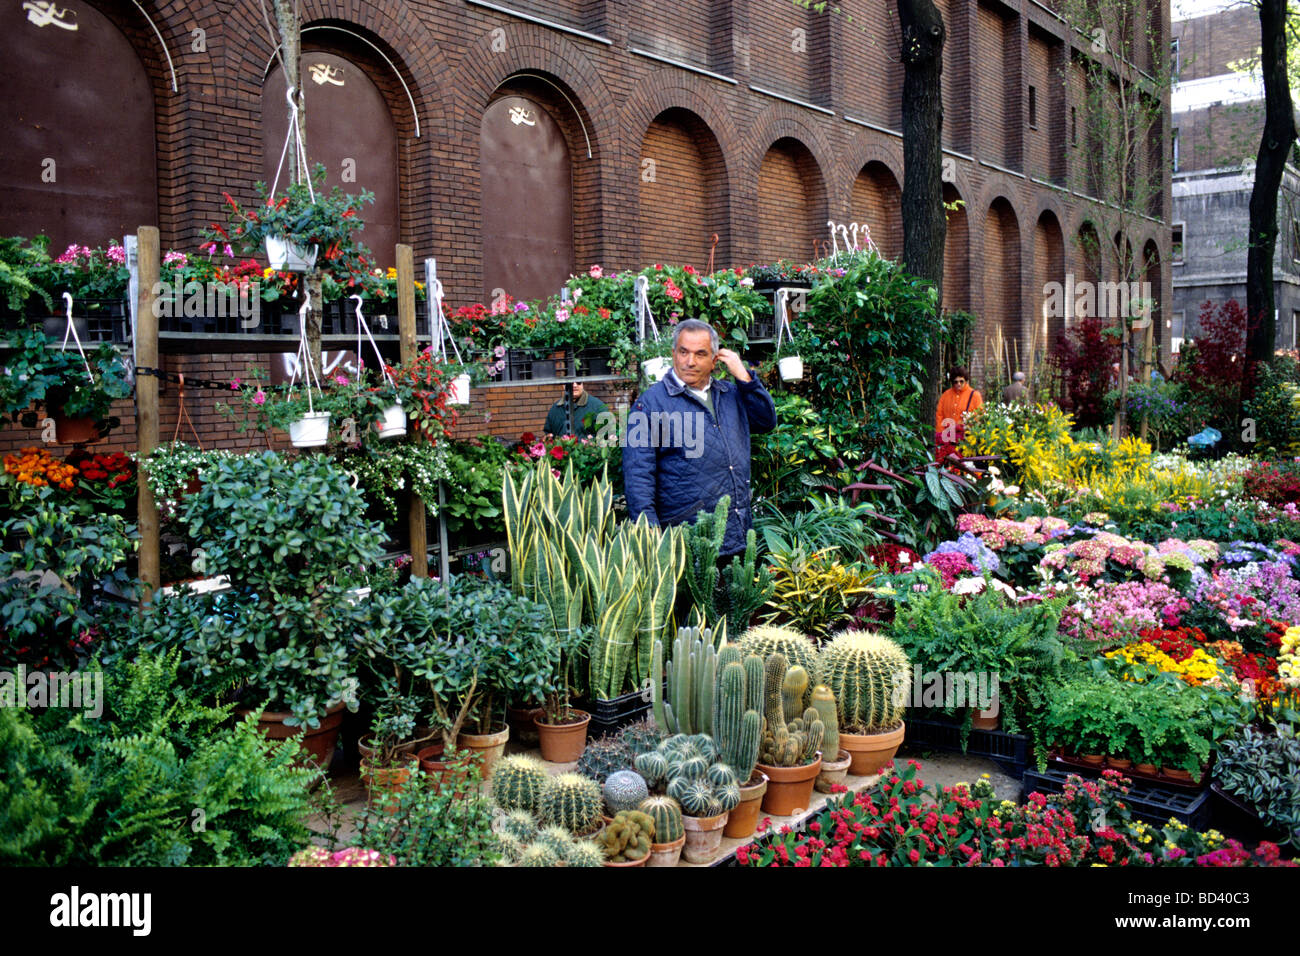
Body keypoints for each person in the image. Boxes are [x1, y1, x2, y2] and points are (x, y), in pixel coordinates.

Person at [623, 318, 776, 557]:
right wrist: (649, 533)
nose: (690, 362)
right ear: (673, 353)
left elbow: (765, 421)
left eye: (700, 354)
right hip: (686, 538)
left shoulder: (730, 394)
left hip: (736, 531)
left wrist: (745, 378)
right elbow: (638, 474)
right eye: (683, 352)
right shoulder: (650, 404)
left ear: (715, 360)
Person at [934, 365, 983, 462]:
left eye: (961, 381)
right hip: (946, 441)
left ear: (966, 381)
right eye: (955, 382)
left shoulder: (975, 396)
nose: (958, 384)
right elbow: (939, 415)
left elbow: (980, 416)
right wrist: (941, 437)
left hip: (965, 441)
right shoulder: (945, 395)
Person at [542, 380, 608, 438]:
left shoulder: (597, 407)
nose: (575, 385)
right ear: (563, 385)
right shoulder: (555, 408)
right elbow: (548, 434)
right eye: (570, 382)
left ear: (582, 384)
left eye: (578, 382)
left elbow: (606, 435)